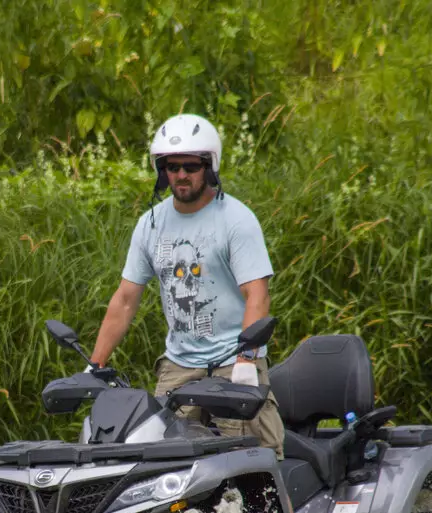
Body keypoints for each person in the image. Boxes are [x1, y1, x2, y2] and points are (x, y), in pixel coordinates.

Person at [87, 113, 285, 454]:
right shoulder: (151, 224)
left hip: (233, 362)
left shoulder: (236, 220)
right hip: (179, 365)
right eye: (172, 166)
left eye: (190, 167)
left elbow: (257, 295)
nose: (180, 175)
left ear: (208, 168)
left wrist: (247, 360)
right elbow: (125, 299)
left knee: (257, 462)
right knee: (160, 461)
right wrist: (96, 366)